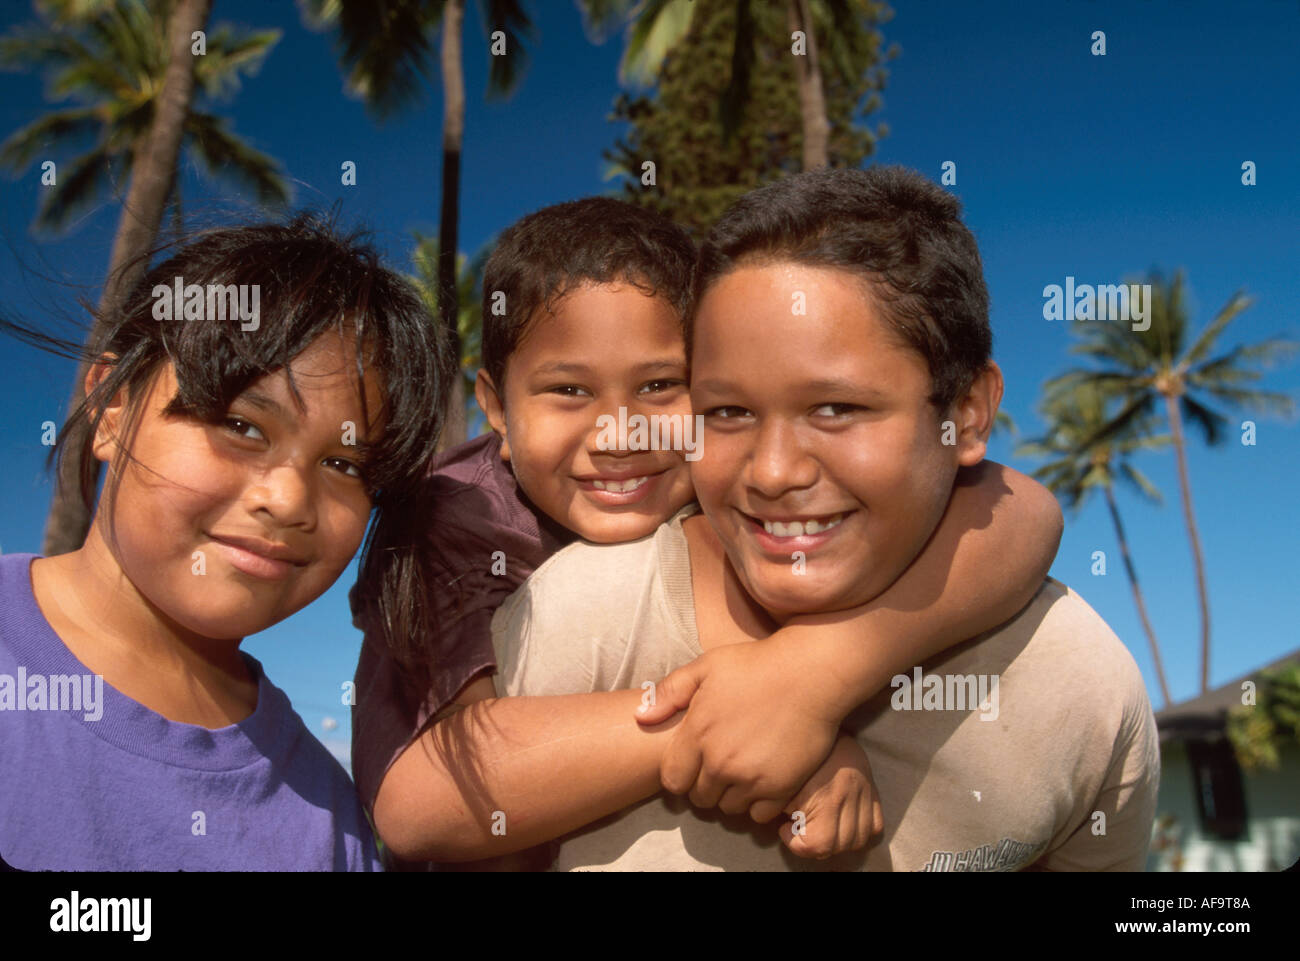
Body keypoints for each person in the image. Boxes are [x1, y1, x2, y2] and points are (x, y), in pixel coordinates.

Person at [352, 196, 1065, 867]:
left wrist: (821, 675)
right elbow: (422, 801)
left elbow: (1024, 510)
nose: (619, 432)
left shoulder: (734, 483)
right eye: (568, 390)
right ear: (496, 408)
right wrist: (736, 724)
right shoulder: (455, 515)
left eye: (661, 385)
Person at [486, 167, 1161, 870]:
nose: (774, 472)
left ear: (966, 410)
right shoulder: (576, 621)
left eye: (836, 409)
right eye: (728, 412)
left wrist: (819, 671)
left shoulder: (1082, 688)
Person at [0, 214, 456, 870]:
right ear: (111, 404)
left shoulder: (328, 820)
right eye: (242, 424)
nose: (289, 499)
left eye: (345, 465)